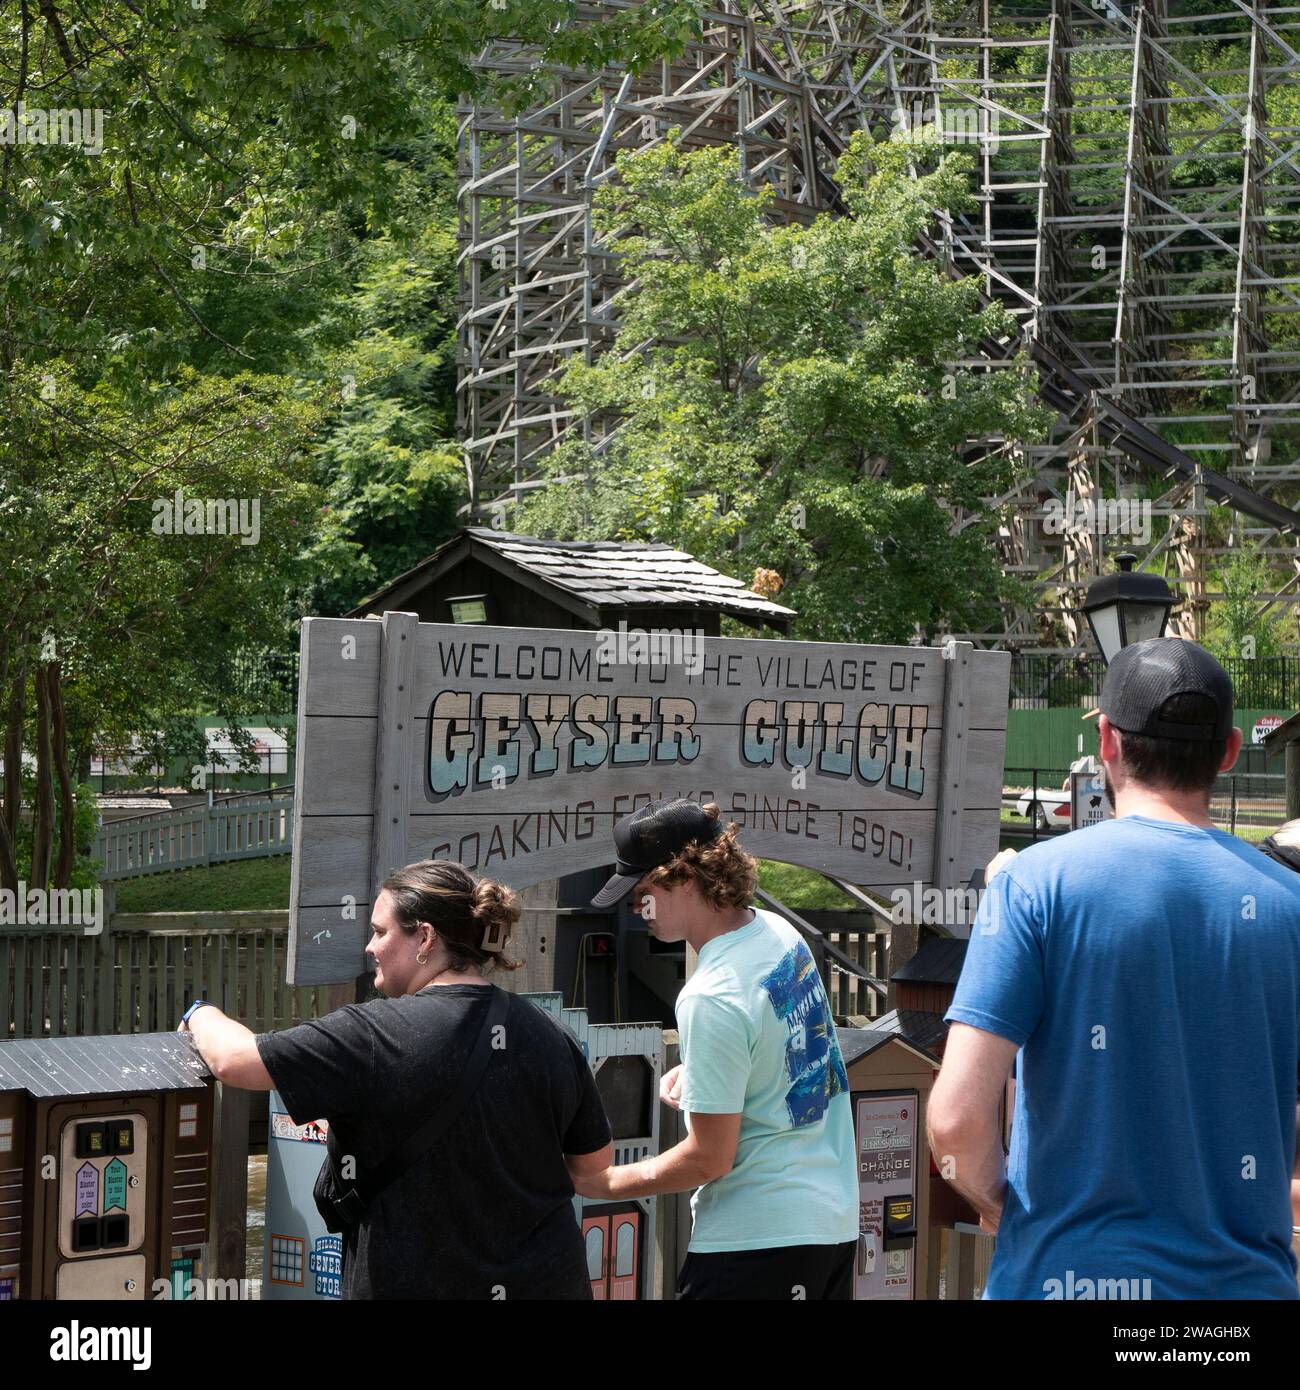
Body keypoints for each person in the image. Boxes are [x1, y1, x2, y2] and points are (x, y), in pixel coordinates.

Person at [929, 637, 1300, 1298]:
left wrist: (1004, 1211)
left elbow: (955, 1120)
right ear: (1230, 752)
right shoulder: (1288, 905)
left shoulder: (1035, 885)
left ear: (1107, 741)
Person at [180, 859, 613, 1299]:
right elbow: (593, 1166)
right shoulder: (552, 1034)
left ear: (424, 938)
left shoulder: (372, 1034)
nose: (370, 947)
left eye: (381, 932)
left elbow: (235, 1060)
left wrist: (200, 1014)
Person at [570, 798, 858, 1300]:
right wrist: (702, 1073)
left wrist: (605, 1183)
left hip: (755, 1242)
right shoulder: (777, 932)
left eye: (643, 892)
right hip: (832, 1227)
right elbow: (793, 1055)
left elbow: (709, 1159)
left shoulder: (711, 996)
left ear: (683, 876)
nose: (638, 910)